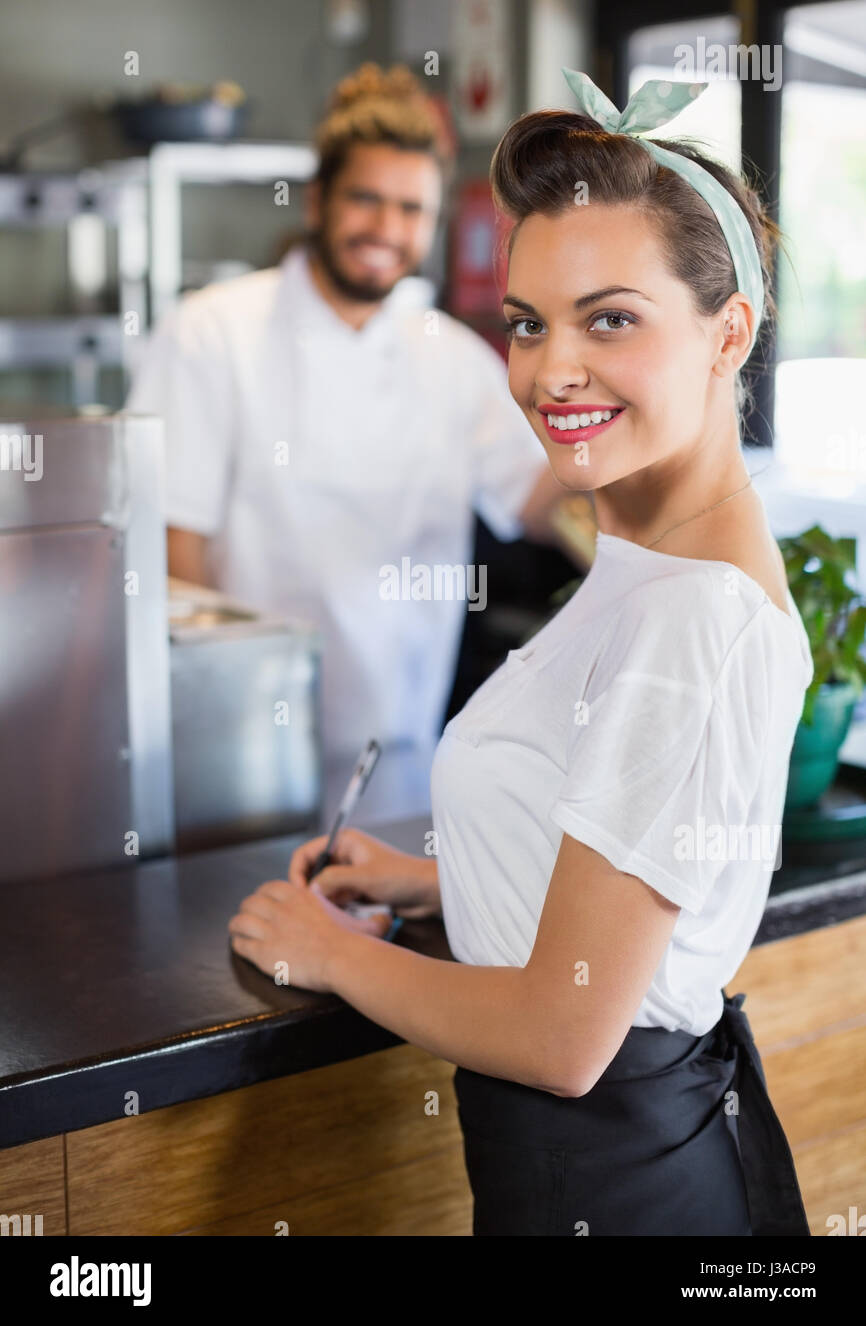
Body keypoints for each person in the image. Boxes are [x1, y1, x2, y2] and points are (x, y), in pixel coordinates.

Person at [227, 70, 814, 1237]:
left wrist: (329, 957)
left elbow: (563, 1034)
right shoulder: (648, 565)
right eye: (528, 323)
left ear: (726, 333)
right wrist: (436, 880)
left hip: (620, 1193)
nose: (549, 372)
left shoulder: (691, 615)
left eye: (610, 319)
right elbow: (630, 904)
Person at [125, 63, 570, 756]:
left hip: (403, 738)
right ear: (317, 202)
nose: (387, 229)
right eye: (366, 199)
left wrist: (630, 437)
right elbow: (173, 554)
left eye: (412, 210)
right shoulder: (212, 332)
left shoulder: (451, 358)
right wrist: (210, 728)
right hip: (239, 744)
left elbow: (542, 501)